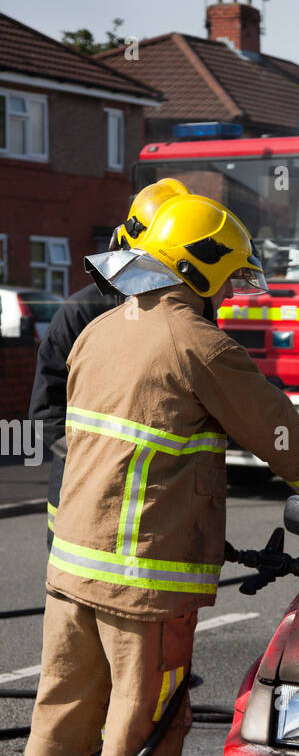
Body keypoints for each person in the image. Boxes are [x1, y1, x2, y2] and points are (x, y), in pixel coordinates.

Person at [2, 193, 299, 756]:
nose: (233, 296)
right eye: (230, 278)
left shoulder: (103, 328)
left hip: (72, 559)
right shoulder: (198, 345)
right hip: (144, 573)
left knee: (64, 700)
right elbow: (277, 434)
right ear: (199, 269)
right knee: (144, 713)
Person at [30, 179, 191, 544]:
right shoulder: (79, 313)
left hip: (153, 508)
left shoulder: (184, 317)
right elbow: (46, 414)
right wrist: (99, 461)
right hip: (81, 498)